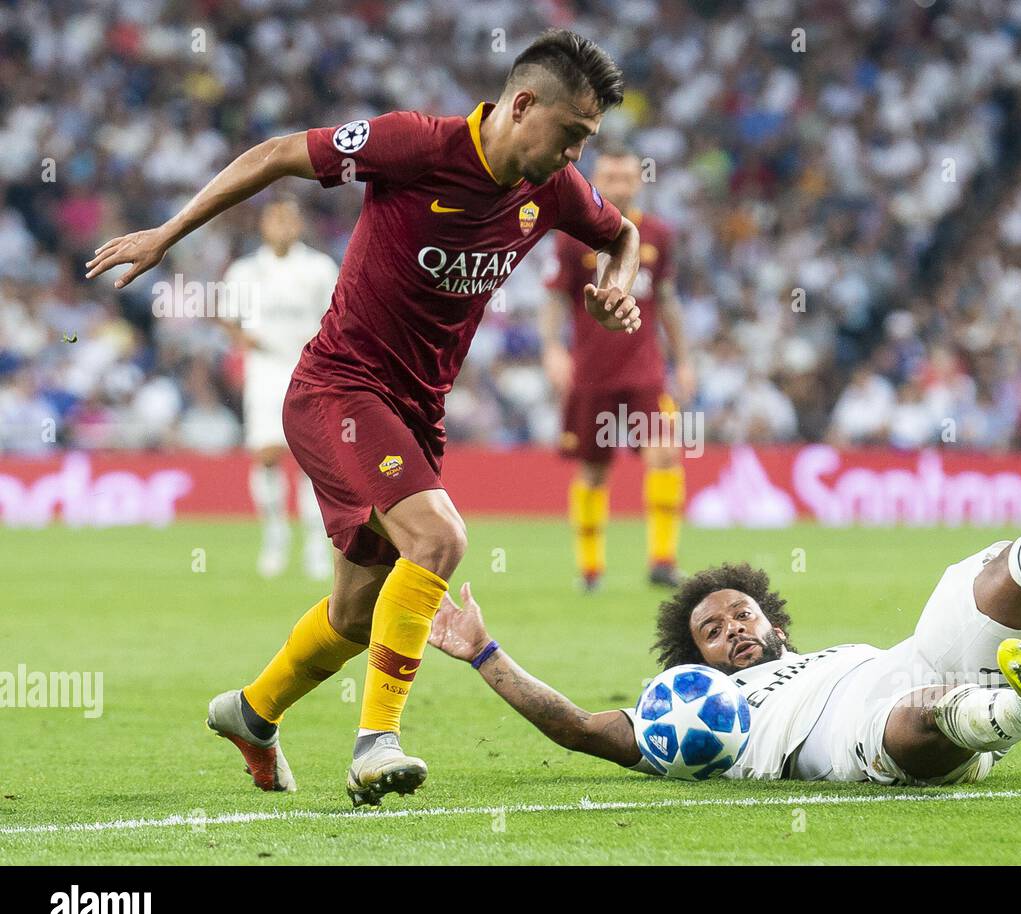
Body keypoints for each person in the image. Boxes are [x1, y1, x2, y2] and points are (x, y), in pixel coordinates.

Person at [86, 29, 642, 806]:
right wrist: (167, 235)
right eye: (574, 135)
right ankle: (376, 741)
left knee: (353, 614)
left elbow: (623, 235)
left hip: (416, 412)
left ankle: (252, 711)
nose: (578, 156)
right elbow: (278, 153)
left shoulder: (552, 190)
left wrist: (621, 283)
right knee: (440, 534)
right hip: (337, 389)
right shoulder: (414, 145)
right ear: (523, 106)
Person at [428, 359, 1021, 785]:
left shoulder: (835, 654)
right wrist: (487, 655)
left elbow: (1016, 670)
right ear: (699, 663)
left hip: (908, 662)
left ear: (775, 624)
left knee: (976, 581)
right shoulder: (705, 715)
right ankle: (1005, 715)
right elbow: (584, 728)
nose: (733, 632)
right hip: (851, 737)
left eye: (741, 616)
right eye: (714, 632)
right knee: (931, 712)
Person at [540, 143, 695, 589]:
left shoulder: (659, 236)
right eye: (610, 178)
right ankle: (591, 570)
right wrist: (552, 348)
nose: (620, 186)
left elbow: (666, 301)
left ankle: (662, 563)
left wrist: (683, 359)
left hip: (645, 369)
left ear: (639, 180)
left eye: (628, 178)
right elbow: (553, 298)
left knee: (665, 455)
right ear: (595, 180)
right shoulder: (571, 237)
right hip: (591, 372)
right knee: (593, 469)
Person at [218, 197, 337, 580]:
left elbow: (339, 314)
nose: (282, 226)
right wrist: (244, 340)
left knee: (312, 461)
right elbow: (228, 318)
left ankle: (316, 544)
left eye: (289, 219)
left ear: (299, 225)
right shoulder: (245, 270)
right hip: (265, 370)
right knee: (267, 454)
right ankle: (275, 534)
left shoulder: (319, 267)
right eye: (275, 219)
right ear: (263, 226)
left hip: (309, 369)